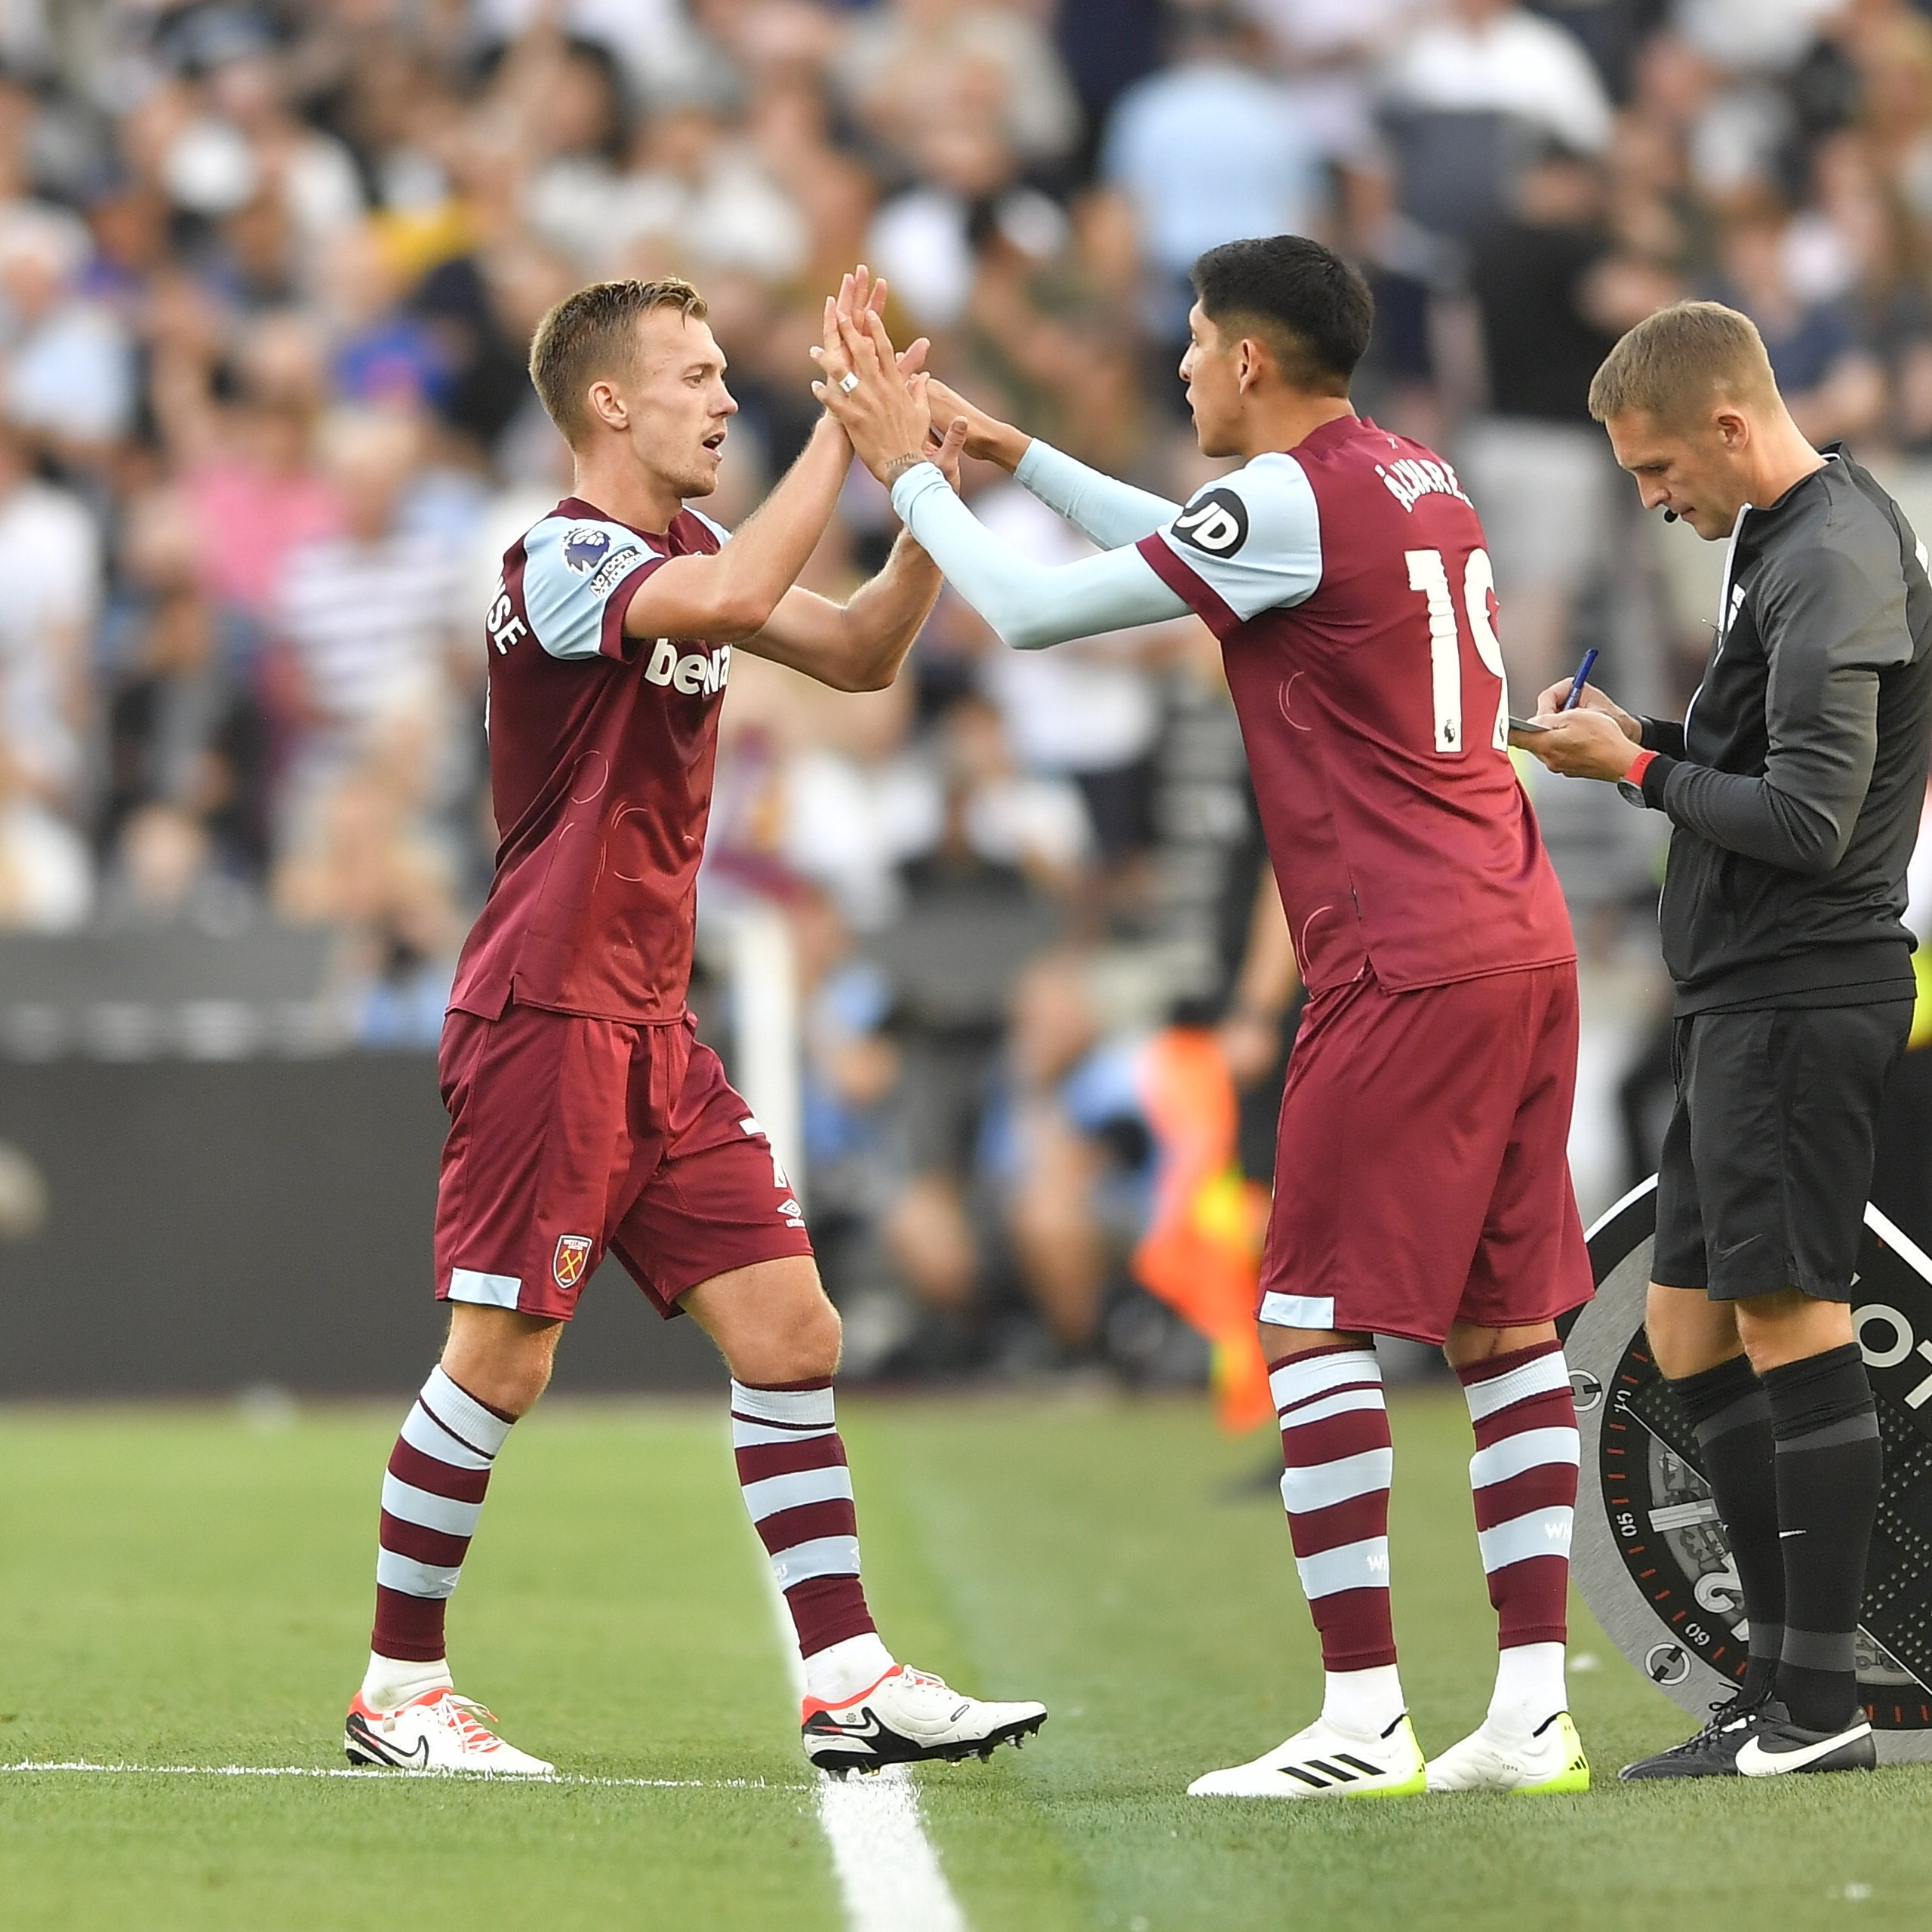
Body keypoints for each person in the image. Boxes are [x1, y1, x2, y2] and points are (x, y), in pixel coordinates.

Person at [814, 235, 1595, 1798]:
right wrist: (1012, 446)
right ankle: (1527, 1709)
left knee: (1306, 1317)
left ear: (1247, 358)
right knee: (1506, 1330)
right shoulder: (1409, 474)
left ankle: (1362, 1712)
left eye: (1188, 341)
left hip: (1400, 956)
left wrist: (909, 477)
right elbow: (1207, 541)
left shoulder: (1287, 500)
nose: (1175, 364)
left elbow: (1034, 617)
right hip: (1518, 933)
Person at [343, 269, 1045, 1777]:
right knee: (502, 1357)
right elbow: (733, 606)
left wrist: (917, 485)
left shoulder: (686, 546)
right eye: (699, 373)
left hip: (653, 1017)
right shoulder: (557, 560)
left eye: (735, 374)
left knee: (793, 1330)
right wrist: (845, 441)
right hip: (544, 1008)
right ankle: (398, 1689)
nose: (728, 397)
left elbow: (858, 653)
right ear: (610, 400)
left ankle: (846, 1675)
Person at [1521, 300, 1932, 1780]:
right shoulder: (1781, 531)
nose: (1648, 496)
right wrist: (1642, 731)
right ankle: (1778, 1681)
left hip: (1795, 991)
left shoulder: (1825, 554)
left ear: (1726, 421)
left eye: (1650, 467)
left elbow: (1813, 821)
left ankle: (1815, 1705)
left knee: (1788, 1324)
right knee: (1687, 1333)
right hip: (1735, 996)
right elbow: (1756, 761)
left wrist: (1629, 767)